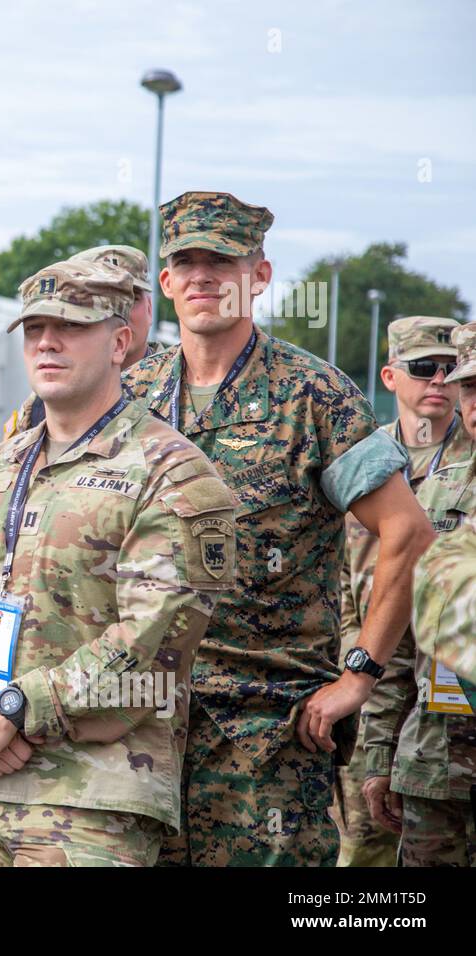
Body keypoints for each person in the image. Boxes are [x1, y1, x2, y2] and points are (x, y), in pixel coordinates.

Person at [122, 191, 435, 866]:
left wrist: (360, 675)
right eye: (188, 262)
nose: (204, 277)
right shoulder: (130, 397)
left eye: (223, 262)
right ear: (167, 281)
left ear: (259, 277)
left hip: (263, 734)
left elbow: (407, 533)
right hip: (140, 725)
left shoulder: (313, 395)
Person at [0, 259, 236, 866]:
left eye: (71, 326)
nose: (47, 342)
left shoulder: (174, 473)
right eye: (34, 329)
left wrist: (15, 708)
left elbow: (152, 643)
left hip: (94, 802)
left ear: (119, 343)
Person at [338, 317, 471, 866]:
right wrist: (377, 749)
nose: (438, 381)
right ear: (391, 376)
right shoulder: (366, 464)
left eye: (450, 371)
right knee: (366, 857)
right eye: (424, 369)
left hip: (425, 724)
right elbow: (370, 609)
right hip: (407, 722)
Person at [0, 244, 157, 441]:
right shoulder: (40, 405)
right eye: (98, 301)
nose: (118, 312)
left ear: (149, 308)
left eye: (130, 299)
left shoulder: (177, 387)